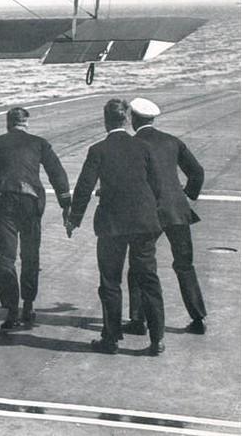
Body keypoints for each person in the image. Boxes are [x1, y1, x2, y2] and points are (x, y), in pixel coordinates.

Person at [66, 99, 165, 355]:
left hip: (112, 225)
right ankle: (157, 340)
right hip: (144, 223)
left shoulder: (98, 150)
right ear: (125, 119)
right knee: (149, 280)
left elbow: (84, 188)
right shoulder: (143, 147)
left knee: (110, 282)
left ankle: (110, 340)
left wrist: (74, 219)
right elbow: (156, 185)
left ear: (106, 120)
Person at [0, 107, 71, 330]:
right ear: (27, 123)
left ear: (8, 124)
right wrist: (66, 204)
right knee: (30, 254)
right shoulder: (39, 142)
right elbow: (57, 173)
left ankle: (11, 311)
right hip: (31, 202)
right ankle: (29, 304)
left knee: (5, 257)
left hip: (4, 202)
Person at [124, 97, 207, 336]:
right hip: (178, 211)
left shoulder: (132, 144)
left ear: (133, 119)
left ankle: (138, 319)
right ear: (152, 118)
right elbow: (197, 172)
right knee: (184, 265)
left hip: (147, 213)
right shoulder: (172, 141)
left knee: (139, 266)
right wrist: (186, 196)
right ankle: (198, 317)